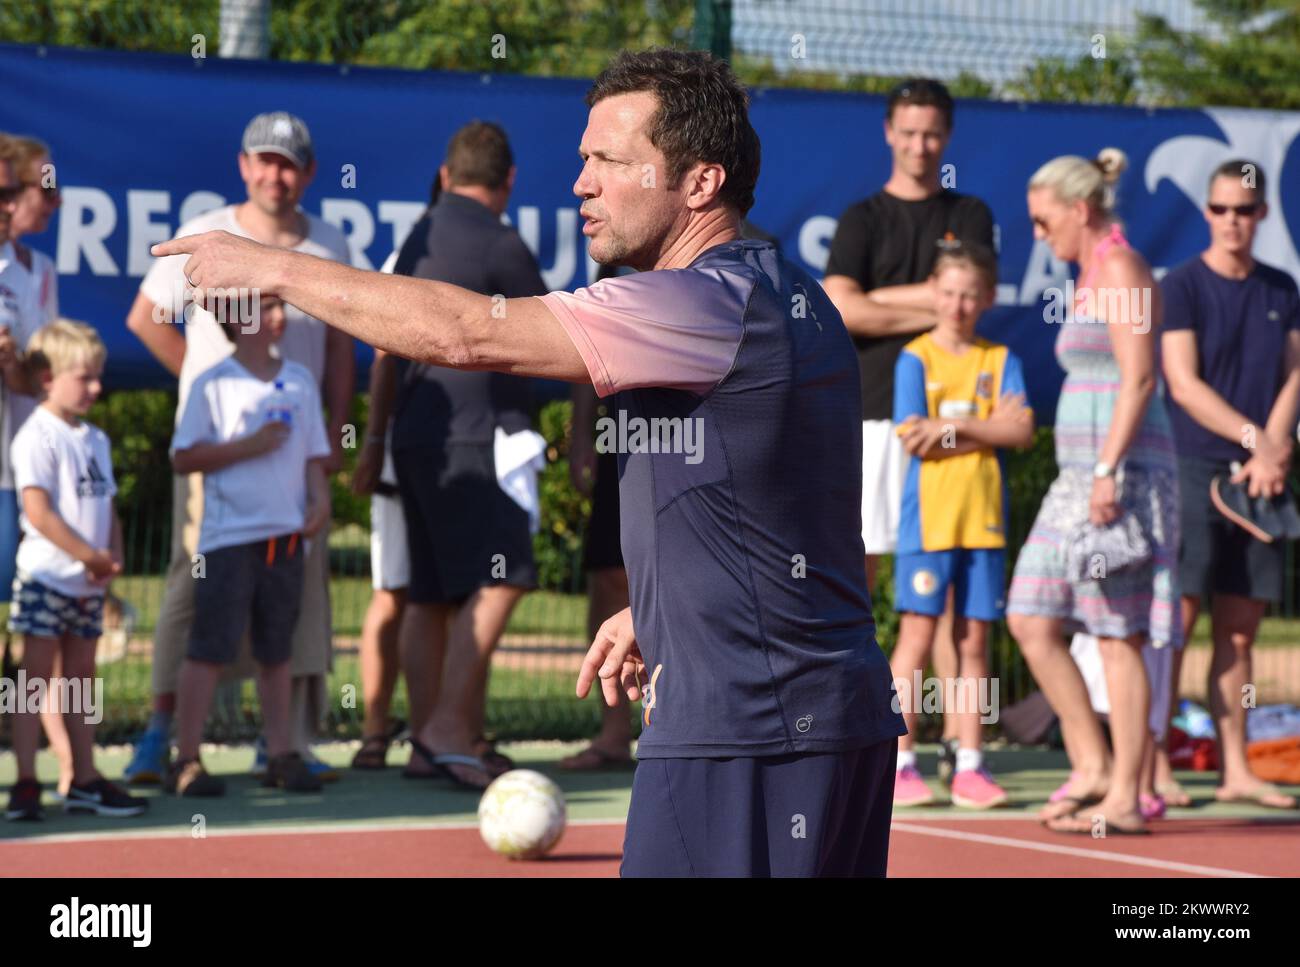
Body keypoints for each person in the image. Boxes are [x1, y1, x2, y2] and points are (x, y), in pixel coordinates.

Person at [154, 47, 906, 877]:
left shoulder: (701, 299)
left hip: (749, 728)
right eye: (582, 158)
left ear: (698, 183)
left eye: (608, 162)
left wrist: (272, 267)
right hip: (825, 714)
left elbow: (468, 333)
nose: (580, 182)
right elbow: (786, 502)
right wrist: (667, 605)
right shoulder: (792, 299)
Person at [124, 112, 353, 783]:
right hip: (216, 456)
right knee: (190, 587)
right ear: (242, 165)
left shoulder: (331, 244)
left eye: (287, 162)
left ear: (307, 172)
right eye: (262, 160)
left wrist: (334, 436)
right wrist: (214, 387)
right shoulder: (209, 235)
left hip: (294, 454)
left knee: (297, 594)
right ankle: (164, 735)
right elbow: (147, 320)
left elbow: (341, 347)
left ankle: (284, 743)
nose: (273, 174)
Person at [359, 122, 547, 789]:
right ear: (510, 182)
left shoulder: (421, 234)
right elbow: (558, 336)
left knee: (431, 595)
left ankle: (428, 741)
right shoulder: (502, 241)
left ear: (445, 175)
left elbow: (384, 349)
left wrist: (377, 439)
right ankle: (444, 727)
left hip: (415, 438)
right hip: (477, 436)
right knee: (507, 575)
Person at [823, 79, 996, 778]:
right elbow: (841, 309)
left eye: (932, 134)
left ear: (946, 138)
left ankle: (963, 750)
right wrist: (929, 301)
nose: (921, 145)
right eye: (909, 131)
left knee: (950, 599)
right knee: (853, 585)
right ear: (888, 132)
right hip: (871, 424)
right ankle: (857, 735)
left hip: (954, 437)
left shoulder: (971, 211)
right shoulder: (862, 218)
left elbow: (962, 303)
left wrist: (879, 301)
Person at [1006, 148, 1181, 836]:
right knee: (1029, 614)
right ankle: (1092, 765)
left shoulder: (1122, 267)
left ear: (1080, 210)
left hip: (1122, 478)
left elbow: (1139, 378)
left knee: (1117, 635)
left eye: (1045, 222)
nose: (1039, 236)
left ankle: (1125, 801)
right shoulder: (1090, 272)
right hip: (1077, 481)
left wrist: (1109, 470)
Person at [1159, 158, 1300, 810]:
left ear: (1262, 214)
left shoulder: (1282, 288)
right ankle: (1153, 762)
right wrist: (1258, 441)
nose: (1231, 221)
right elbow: (1183, 385)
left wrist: (1273, 452)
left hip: (1261, 479)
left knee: (1239, 635)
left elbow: (1294, 375)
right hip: (1192, 468)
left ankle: (1236, 768)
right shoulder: (1181, 286)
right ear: (1207, 213)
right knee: (1176, 623)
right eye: (1219, 209)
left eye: (1243, 210)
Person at [165, 292, 332, 796]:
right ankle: (186, 759)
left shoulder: (300, 380)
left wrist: (320, 501)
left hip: (285, 540)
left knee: (276, 649)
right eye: (266, 309)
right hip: (228, 539)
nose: (279, 317)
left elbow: (314, 456)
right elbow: (183, 457)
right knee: (209, 647)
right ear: (236, 321)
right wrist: (248, 446)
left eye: (280, 306)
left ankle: (281, 754)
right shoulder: (212, 385)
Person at [889, 244, 1033, 809]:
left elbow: (1021, 432)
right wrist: (983, 427)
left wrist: (950, 429)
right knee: (917, 638)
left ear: (989, 298)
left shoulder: (1000, 358)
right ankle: (900, 761)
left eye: (971, 294)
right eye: (948, 293)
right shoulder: (914, 359)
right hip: (929, 522)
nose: (958, 304)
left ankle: (969, 763)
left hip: (984, 522)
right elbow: (911, 434)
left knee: (974, 643)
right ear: (933, 294)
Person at [3, 321, 145, 820]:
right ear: (46, 377)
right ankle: (24, 781)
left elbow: (108, 508)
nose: (96, 388)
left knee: (82, 680)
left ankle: (83, 778)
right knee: (32, 682)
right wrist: (87, 555)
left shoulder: (97, 439)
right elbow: (38, 512)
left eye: (98, 376)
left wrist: (111, 557)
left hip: (86, 586)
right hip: (46, 579)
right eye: (83, 378)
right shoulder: (35, 436)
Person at [0, 133, 74, 796]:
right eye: (35, 189)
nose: (49, 200)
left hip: (12, 476)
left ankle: (41, 772)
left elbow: (40, 380)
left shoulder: (35, 272)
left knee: (20, 628)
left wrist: (15, 365)